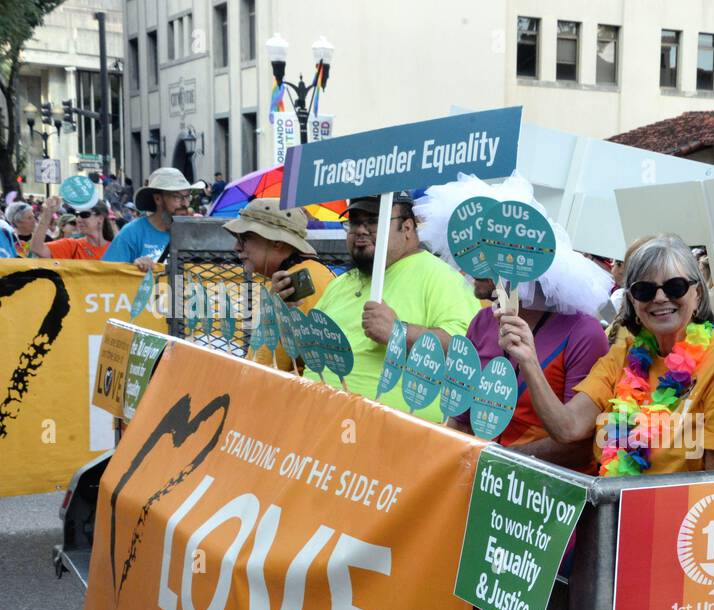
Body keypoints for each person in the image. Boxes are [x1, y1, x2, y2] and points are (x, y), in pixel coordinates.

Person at [498, 234, 714, 475]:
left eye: (675, 287)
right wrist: (529, 360)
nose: (660, 298)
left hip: (679, 507)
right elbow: (568, 428)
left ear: (697, 293)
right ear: (633, 301)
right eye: (644, 290)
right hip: (615, 503)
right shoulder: (623, 354)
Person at [305, 192, 477, 421]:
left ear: (407, 228)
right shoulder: (339, 284)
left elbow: (465, 352)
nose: (361, 230)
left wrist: (399, 333)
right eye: (354, 222)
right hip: (317, 419)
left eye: (374, 221)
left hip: (388, 431)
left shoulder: (441, 277)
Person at [452, 283, 611, 472]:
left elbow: (578, 446)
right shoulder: (483, 320)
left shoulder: (585, 332)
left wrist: (498, 462)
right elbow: (460, 418)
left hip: (543, 490)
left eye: (492, 254)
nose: (475, 260)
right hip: (476, 473)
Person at [221, 198, 336, 370]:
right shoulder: (297, 275)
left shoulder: (294, 283)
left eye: (245, 238)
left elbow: (268, 370)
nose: (236, 247)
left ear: (277, 242)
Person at [102, 167, 205, 268]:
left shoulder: (194, 232)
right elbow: (108, 276)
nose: (186, 204)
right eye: (177, 197)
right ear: (158, 199)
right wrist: (134, 270)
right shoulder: (132, 233)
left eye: (187, 196)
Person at [30, 201, 117, 260]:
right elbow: (37, 248)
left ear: (100, 218)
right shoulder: (72, 246)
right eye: (77, 214)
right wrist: (47, 213)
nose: (78, 219)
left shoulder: (117, 249)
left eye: (84, 214)